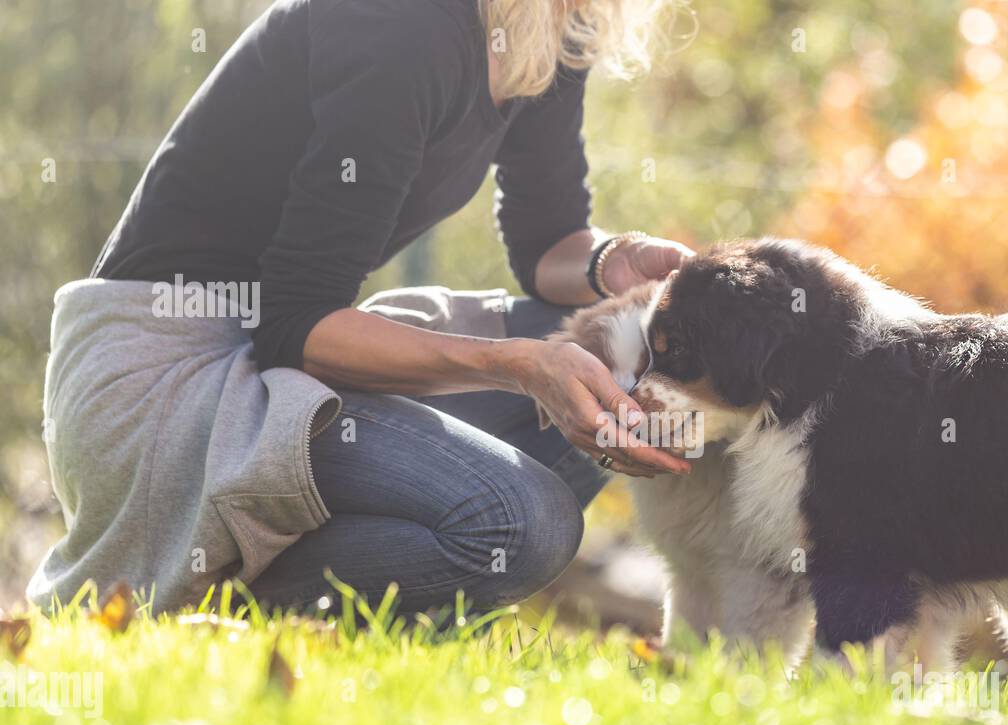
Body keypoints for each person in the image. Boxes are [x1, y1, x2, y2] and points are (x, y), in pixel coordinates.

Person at [28, 0, 693, 615]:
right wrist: (514, 365)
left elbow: (547, 241)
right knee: (526, 523)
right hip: (164, 375)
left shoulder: (554, 25)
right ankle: (209, 604)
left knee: (619, 361)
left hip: (281, 350)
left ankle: (379, 600)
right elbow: (297, 324)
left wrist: (609, 260)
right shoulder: (401, 22)